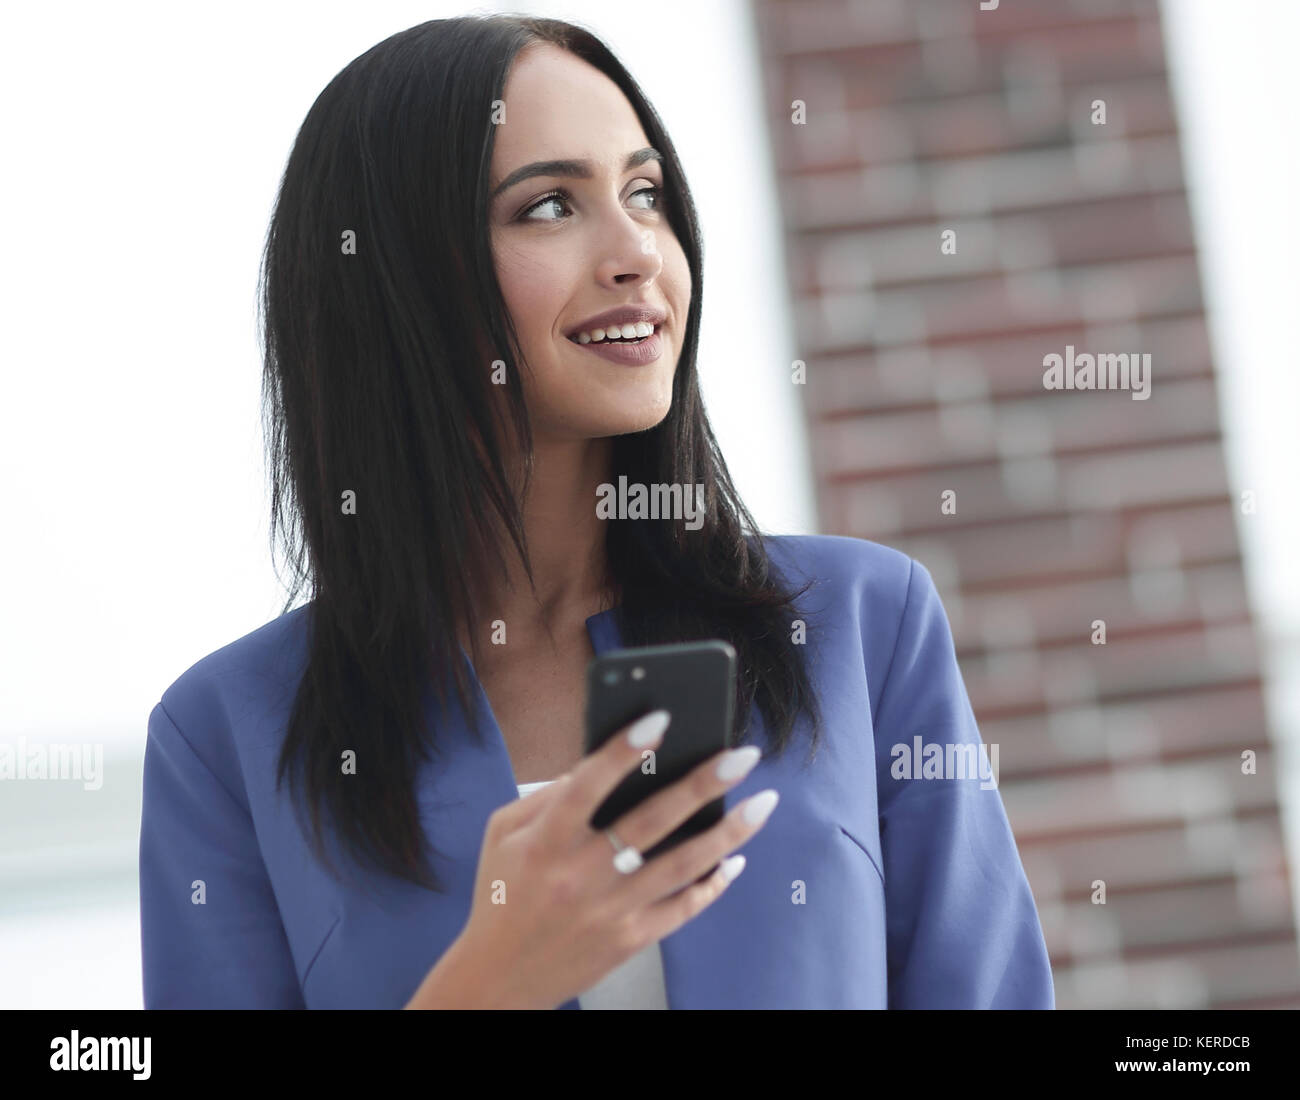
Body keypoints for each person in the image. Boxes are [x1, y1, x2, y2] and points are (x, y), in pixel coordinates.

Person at [139, 14, 1054, 1010]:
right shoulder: (226, 735)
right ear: (391, 278)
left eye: (645, 192)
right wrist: (488, 984)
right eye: (546, 208)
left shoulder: (862, 621)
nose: (636, 253)